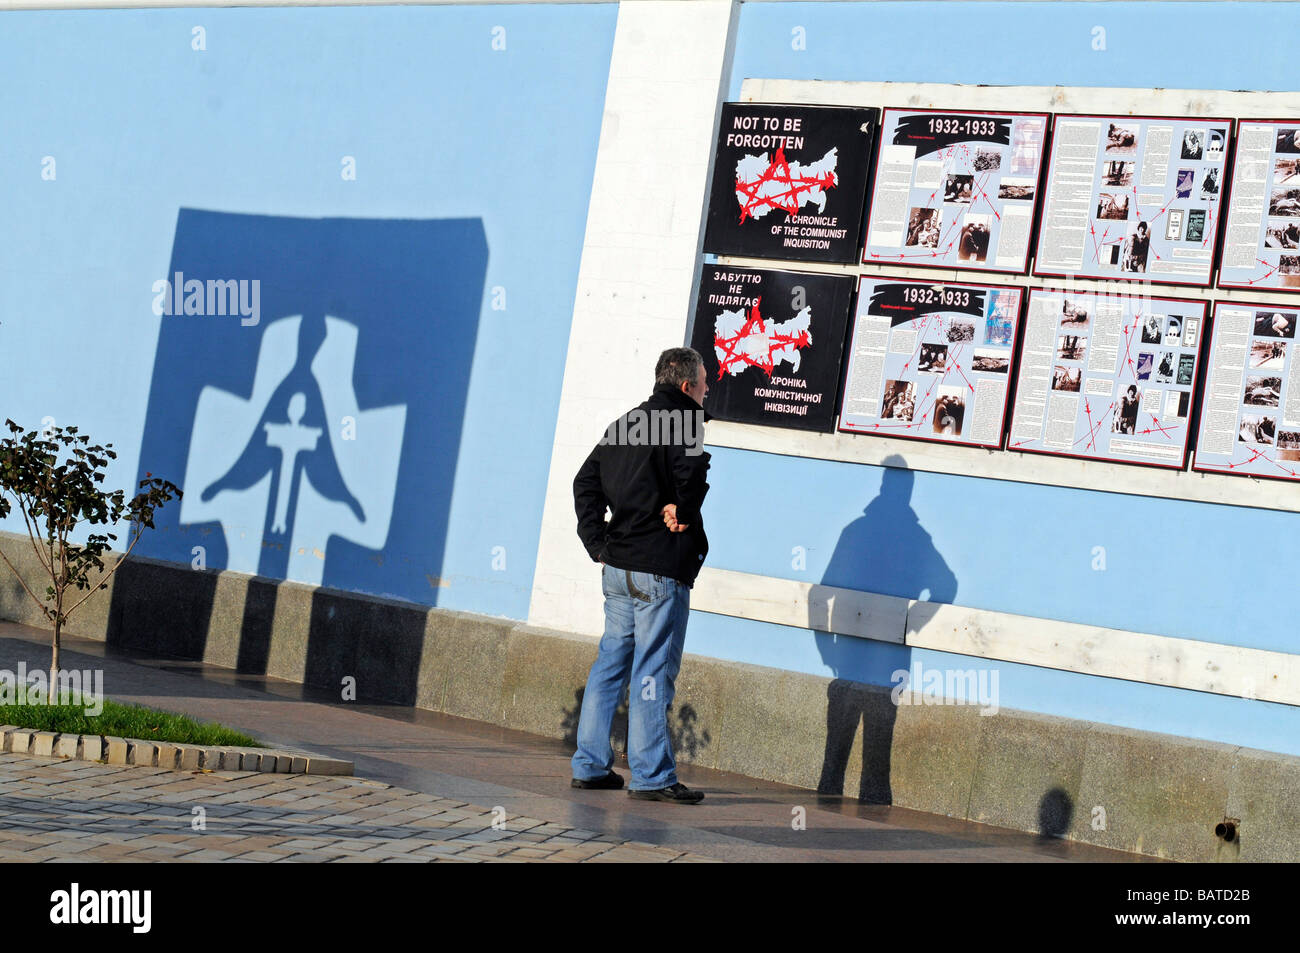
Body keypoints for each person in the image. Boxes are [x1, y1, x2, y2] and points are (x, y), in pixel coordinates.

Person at [569, 347, 712, 803]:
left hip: (618, 569)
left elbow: (584, 482)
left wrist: (598, 544)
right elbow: (690, 476)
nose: (707, 392)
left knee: (610, 664)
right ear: (687, 386)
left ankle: (590, 766)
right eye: (705, 384)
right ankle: (652, 775)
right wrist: (684, 512)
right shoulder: (687, 419)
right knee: (652, 671)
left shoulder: (627, 422)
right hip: (658, 570)